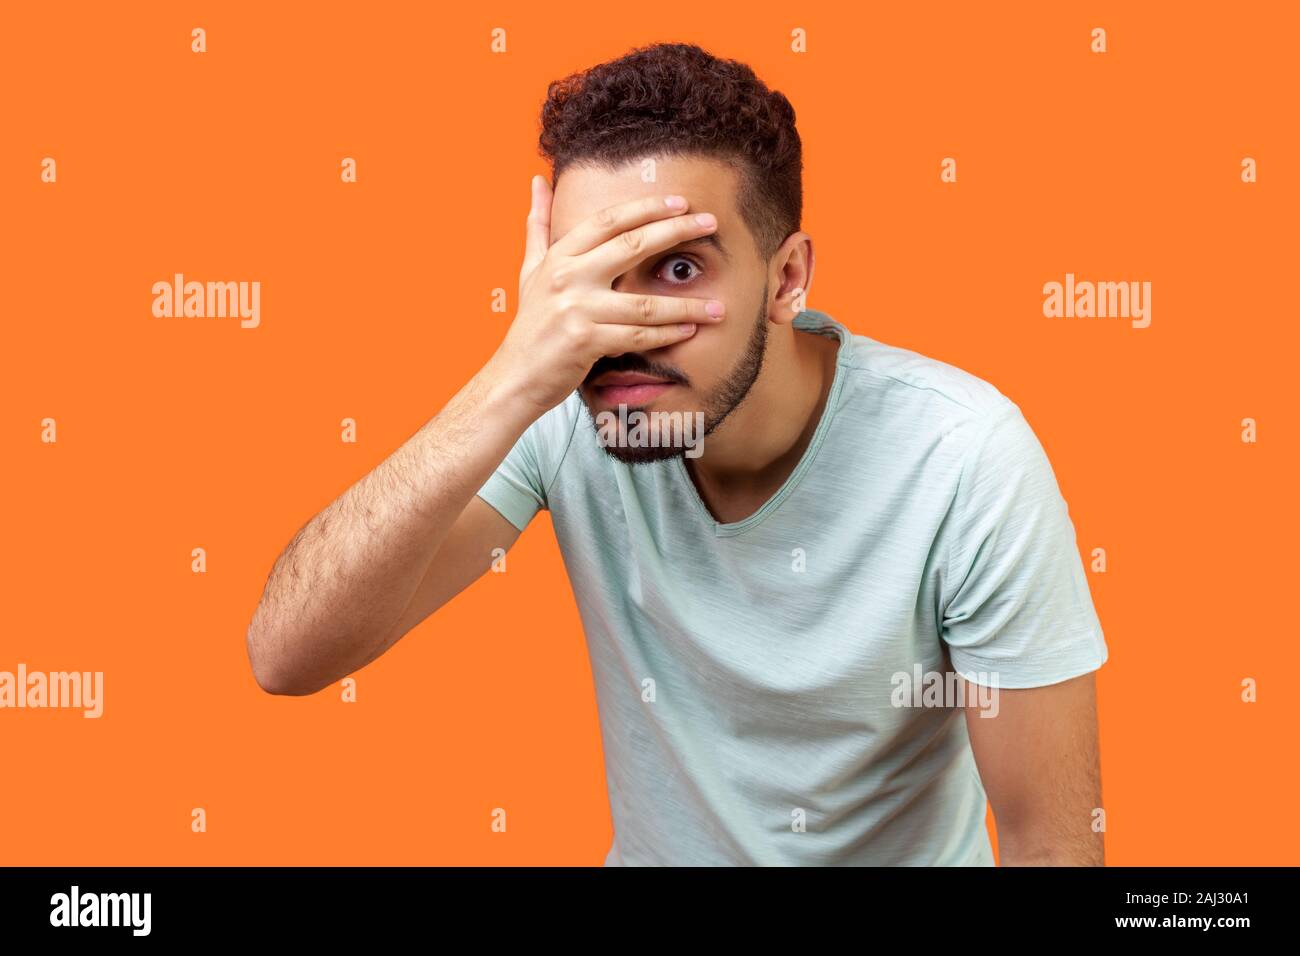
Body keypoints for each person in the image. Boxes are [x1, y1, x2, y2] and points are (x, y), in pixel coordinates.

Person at [247, 42, 1108, 866]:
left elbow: (1052, 846)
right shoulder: (563, 403)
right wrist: (512, 375)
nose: (621, 331)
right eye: (590, 274)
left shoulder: (964, 456)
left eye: (679, 271)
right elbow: (287, 658)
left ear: (785, 279)